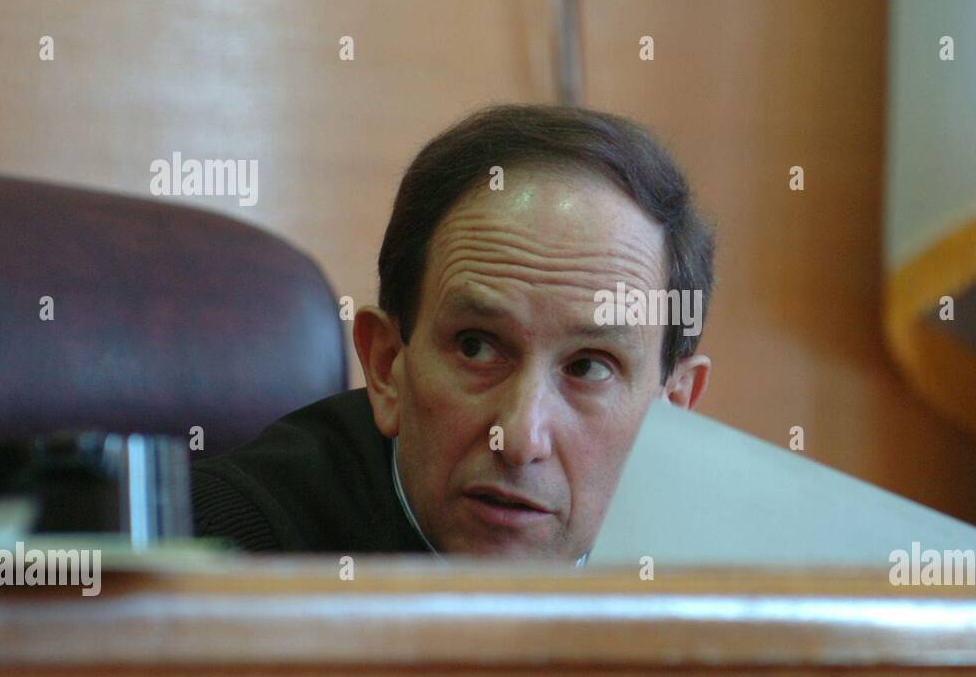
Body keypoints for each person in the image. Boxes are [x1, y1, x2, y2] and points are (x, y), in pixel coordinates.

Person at [192, 103, 714, 562]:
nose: (518, 438)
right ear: (387, 366)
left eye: (588, 367)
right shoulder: (228, 557)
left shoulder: (743, 592)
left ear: (673, 413)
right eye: (476, 347)